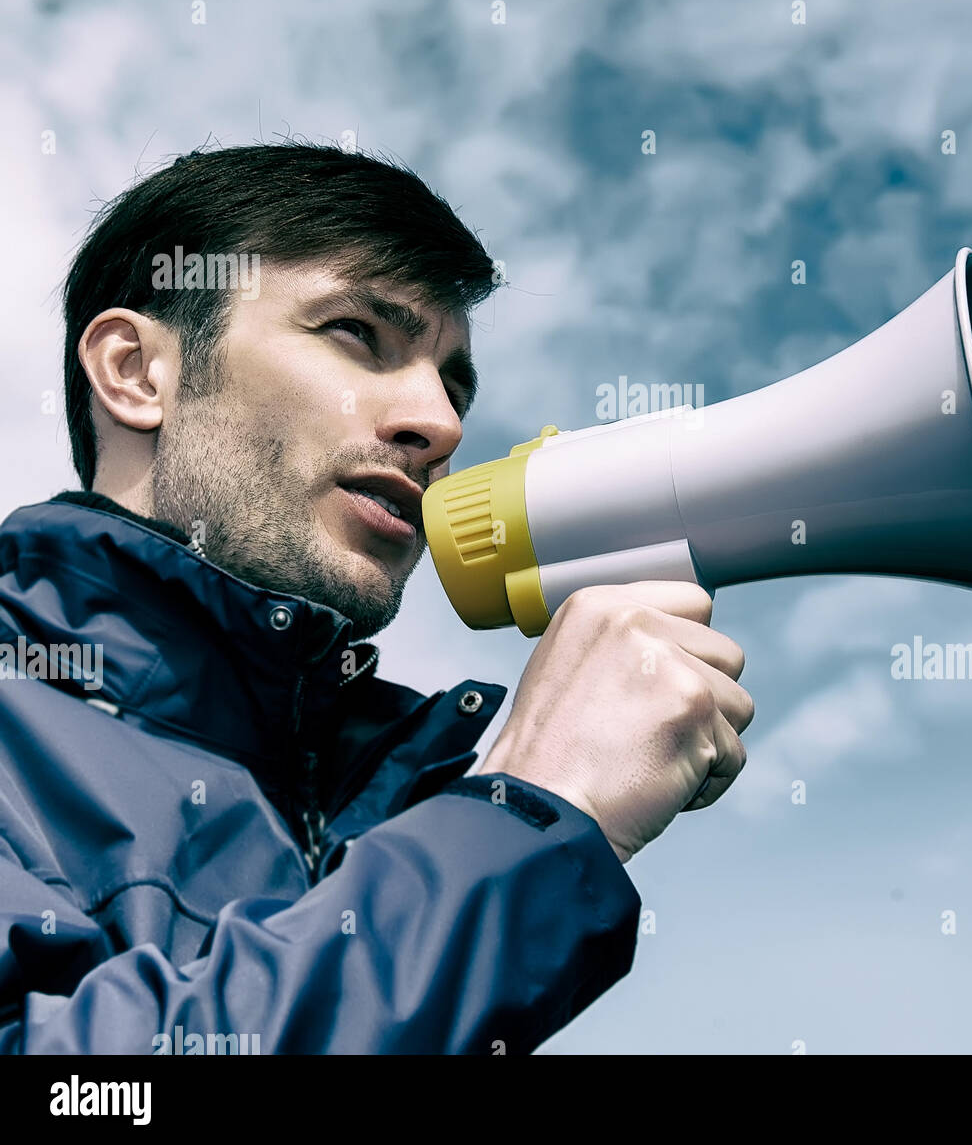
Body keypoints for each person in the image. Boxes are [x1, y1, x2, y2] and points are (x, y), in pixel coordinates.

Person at [0, 142, 751, 1054]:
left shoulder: (395, 807)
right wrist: (532, 814)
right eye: (357, 333)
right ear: (136, 371)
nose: (440, 424)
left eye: (451, 381)